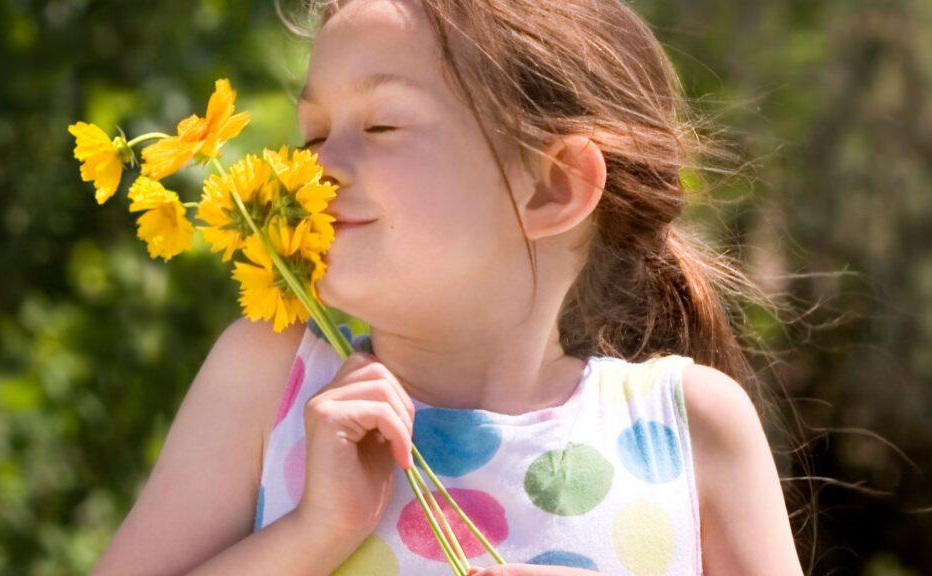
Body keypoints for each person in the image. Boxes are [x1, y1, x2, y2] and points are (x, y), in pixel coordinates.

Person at [91, 0, 805, 574]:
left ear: (553, 187)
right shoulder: (273, 381)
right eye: (313, 135)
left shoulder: (691, 424)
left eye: (381, 124)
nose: (315, 167)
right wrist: (314, 533)